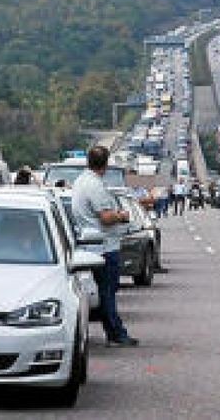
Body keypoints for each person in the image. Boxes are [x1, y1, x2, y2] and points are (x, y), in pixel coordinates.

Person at [72, 146, 138, 347]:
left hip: (90, 243)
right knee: (108, 291)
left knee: (104, 291)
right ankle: (116, 333)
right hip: (104, 246)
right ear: (106, 164)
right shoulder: (95, 186)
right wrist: (122, 215)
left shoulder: (81, 181)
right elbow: (106, 217)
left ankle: (113, 330)